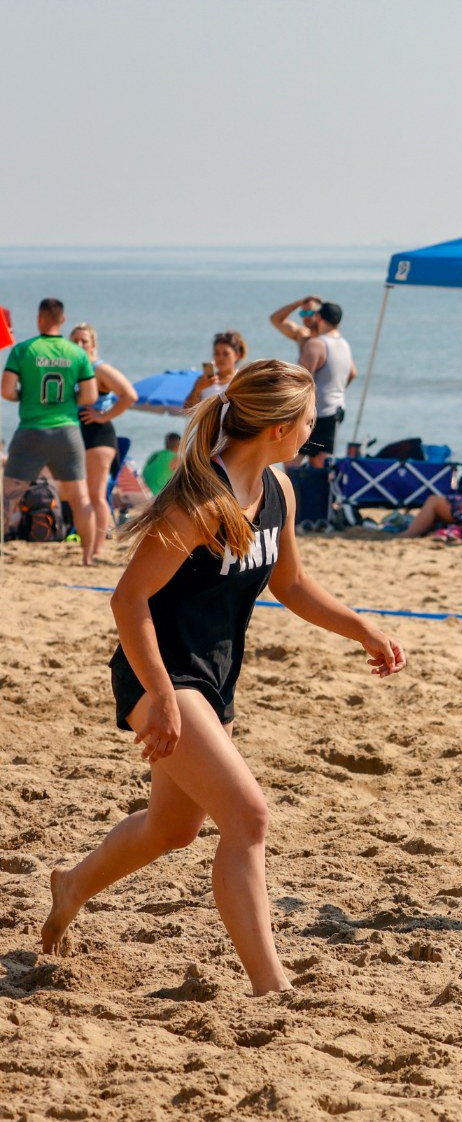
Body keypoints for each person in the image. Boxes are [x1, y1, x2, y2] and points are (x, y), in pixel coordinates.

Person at [39, 360, 406, 995]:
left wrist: (361, 629)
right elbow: (128, 601)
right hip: (159, 670)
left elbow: (289, 584)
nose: (313, 433)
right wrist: (159, 694)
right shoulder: (198, 501)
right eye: (310, 423)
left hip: (213, 675)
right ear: (279, 427)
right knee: (249, 818)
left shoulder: (277, 489)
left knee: (171, 829)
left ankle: (72, 883)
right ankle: (272, 985)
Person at [2, 299, 99, 563]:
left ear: (39, 318)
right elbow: (90, 396)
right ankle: (88, 556)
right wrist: (68, 401)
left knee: (9, 496)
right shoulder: (77, 353)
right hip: (67, 430)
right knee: (80, 497)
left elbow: (7, 391)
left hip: (31, 430)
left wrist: (25, 396)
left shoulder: (23, 350)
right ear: (63, 320)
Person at [70, 324, 140, 562]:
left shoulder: (99, 369)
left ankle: (98, 548)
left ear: (93, 344)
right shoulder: (74, 369)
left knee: (96, 495)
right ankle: (88, 545)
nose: (79, 345)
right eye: (75, 340)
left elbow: (129, 394)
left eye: (84, 341)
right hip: (77, 435)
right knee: (80, 495)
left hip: (99, 434)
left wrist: (104, 415)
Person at [271, 298, 354, 468]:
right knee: (316, 461)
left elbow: (303, 380)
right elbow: (275, 319)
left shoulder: (318, 342)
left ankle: (294, 492)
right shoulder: (305, 335)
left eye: (311, 312)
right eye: (303, 313)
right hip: (330, 410)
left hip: (317, 410)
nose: (306, 317)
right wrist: (298, 302)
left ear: (319, 316)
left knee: (299, 461)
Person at [182, 332, 247, 411]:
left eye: (226, 354)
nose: (220, 357)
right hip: (207, 423)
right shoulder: (204, 380)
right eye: (217, 353)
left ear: (237, 355)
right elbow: (187, 410)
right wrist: (197, 390)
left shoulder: (241, 380)